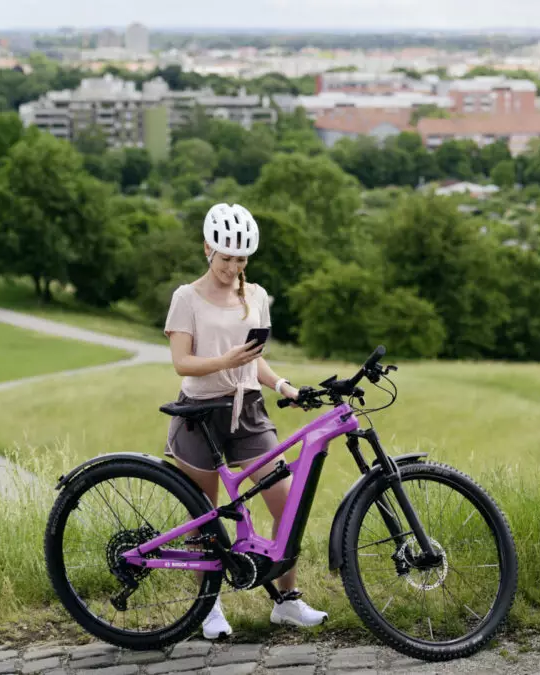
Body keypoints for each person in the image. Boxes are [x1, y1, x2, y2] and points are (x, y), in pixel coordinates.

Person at [163, 203, 328, 640]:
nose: (232, 267)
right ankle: (208, 607)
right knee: (205, 519)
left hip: (249, 410)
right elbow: (182, 363)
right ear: (207, 250)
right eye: (225, 258)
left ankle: (287, 602)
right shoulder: (186, 297)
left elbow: (256, 362)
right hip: (200, 414)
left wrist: (283, 385)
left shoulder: (254, 295)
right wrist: (227, 359)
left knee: (286, 504)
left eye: (240, 259)